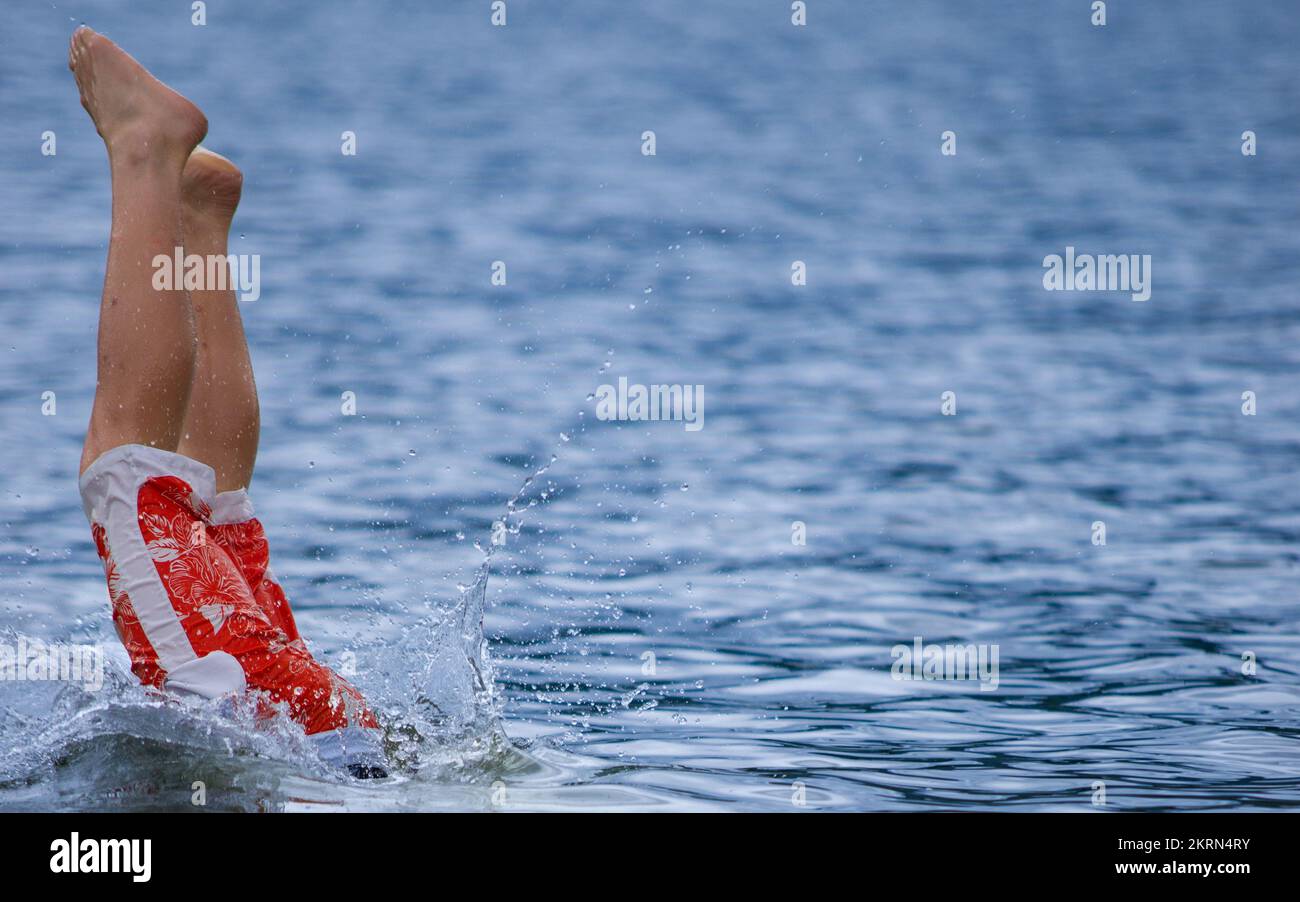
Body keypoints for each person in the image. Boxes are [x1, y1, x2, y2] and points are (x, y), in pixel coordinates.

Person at [68, 26, 386, 777]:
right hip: (282, 714)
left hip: (317, 714)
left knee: (171, 499)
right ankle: (158, 167)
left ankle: (176, 190)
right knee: (141, 490)